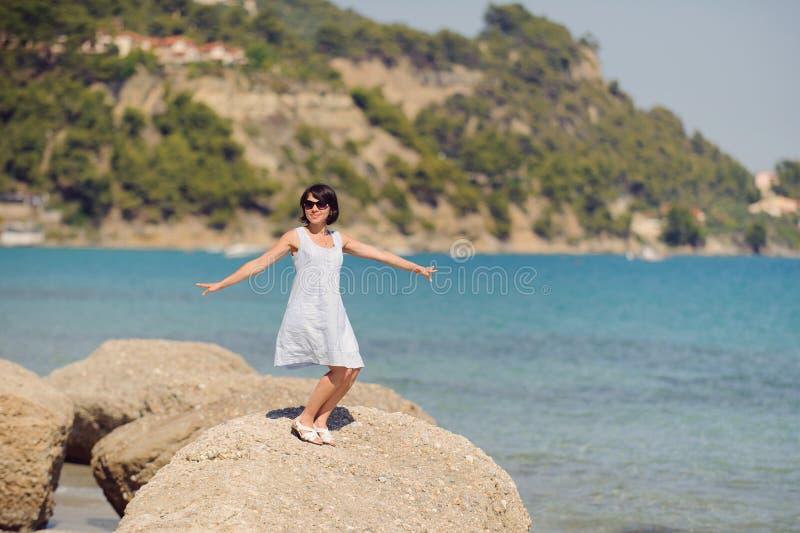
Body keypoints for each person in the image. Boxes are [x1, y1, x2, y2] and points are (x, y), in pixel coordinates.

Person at [196, 183, 436, 446]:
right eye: (308, 204)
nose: (314, 208)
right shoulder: (295, 237)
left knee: (353, 367)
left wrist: (415, 268)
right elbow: (259, 263)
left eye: (320, 204)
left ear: (330, 208)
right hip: (309, 312)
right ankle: (305, 419)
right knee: (339, 368)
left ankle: (321, 421)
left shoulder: (339, 239)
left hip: (334, 312)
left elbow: (378, 254)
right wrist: (222, 284)